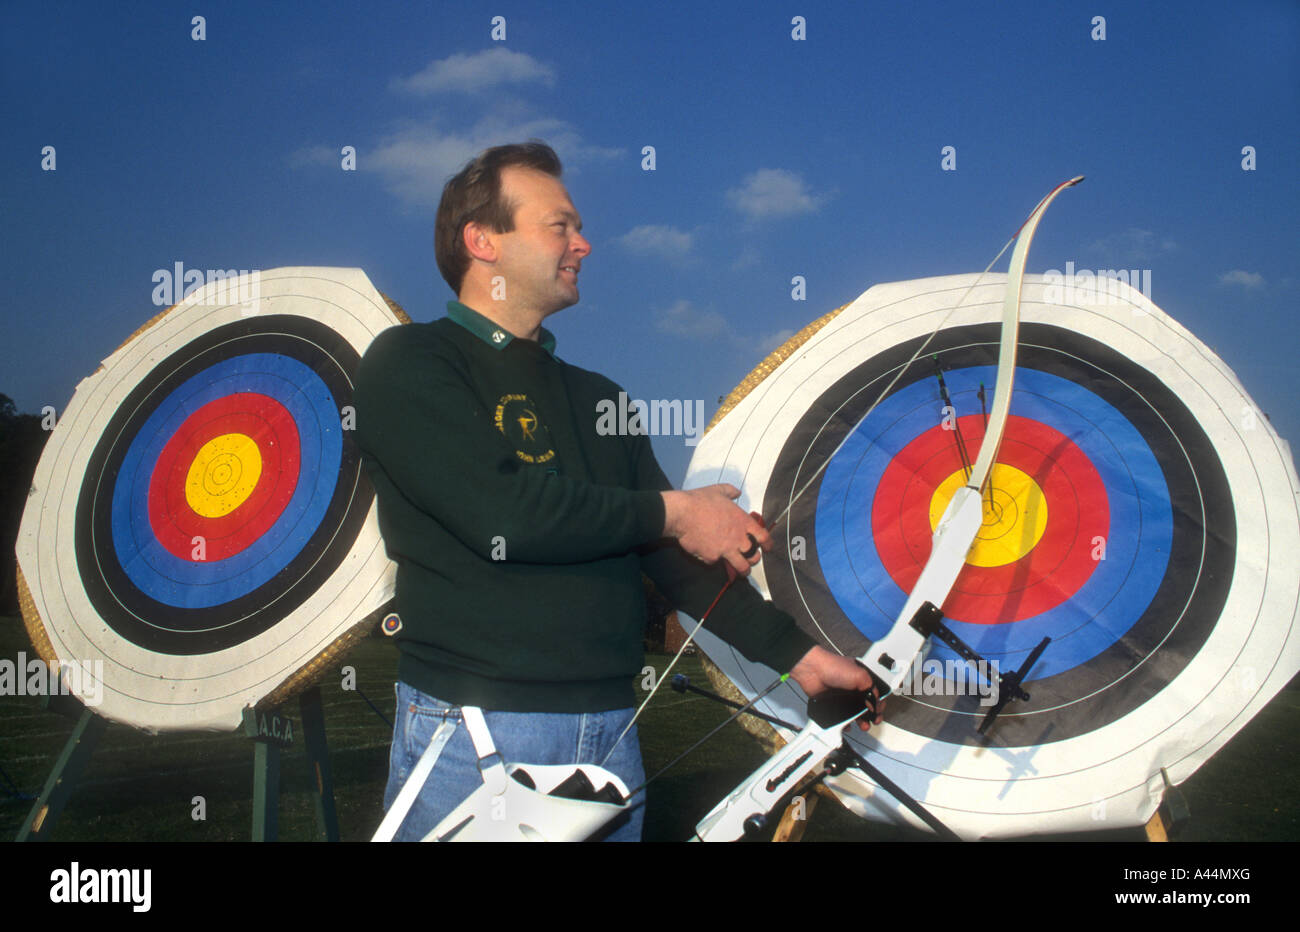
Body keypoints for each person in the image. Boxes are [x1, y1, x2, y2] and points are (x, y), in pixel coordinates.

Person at [354, 141, 877, 841]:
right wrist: (680, 512)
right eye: (559, 226)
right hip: (476, 732)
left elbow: (673, 562)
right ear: (482, 241)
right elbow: (505, 514)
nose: (584, 244)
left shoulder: (601, 398)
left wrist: (802, 660)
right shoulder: (411, 361)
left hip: (611, 733)